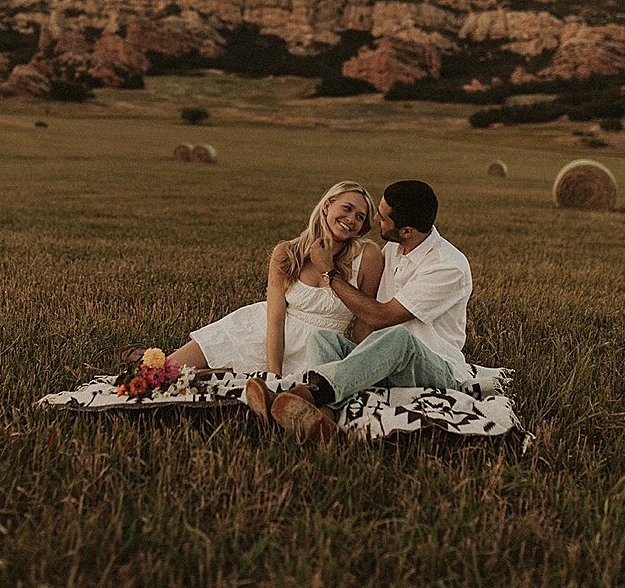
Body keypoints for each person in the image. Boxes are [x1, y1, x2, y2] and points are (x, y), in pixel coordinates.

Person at [247, 180, 472, 440]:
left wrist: (329, 271)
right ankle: (324, 417)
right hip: (386, 362)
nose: (375, 219)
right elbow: (366, 324)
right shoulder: (394, 249)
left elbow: (380, 317)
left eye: (382, 217)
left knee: (399, 338)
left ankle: (306, 394)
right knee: (323, 339)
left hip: (435, 369)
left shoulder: (447, 266)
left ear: (407, 231)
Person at [167, 181, 384, 382]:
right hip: (262, 333)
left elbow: (364, 323)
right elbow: (276, 319)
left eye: (360, 217)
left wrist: (358, 369)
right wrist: (274, 375)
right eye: (347, 208)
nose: (351, 219)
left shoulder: (367, 256)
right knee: (161, 373)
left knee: (211, 386)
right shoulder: (287, 252)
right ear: (327, 206)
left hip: (316, 351)